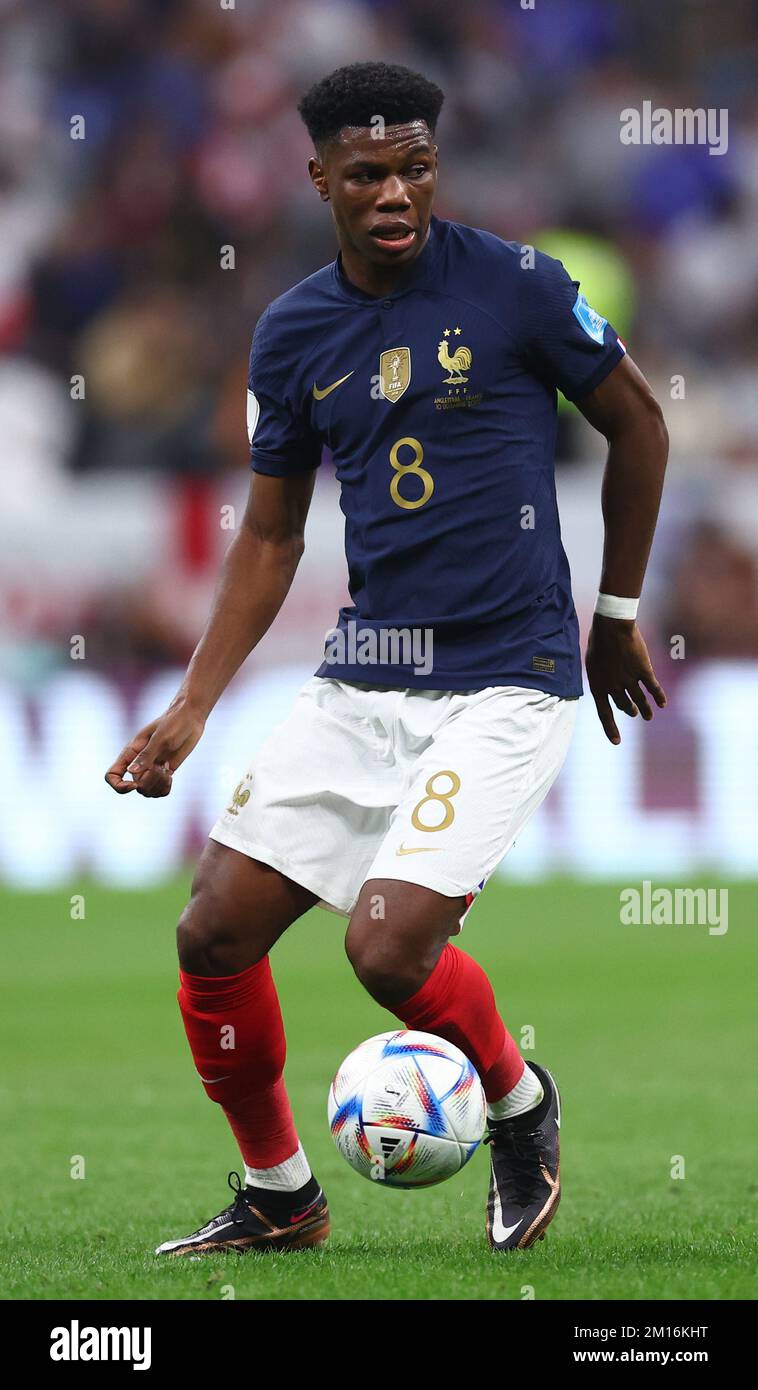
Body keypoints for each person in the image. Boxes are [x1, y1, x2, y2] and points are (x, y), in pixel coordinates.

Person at [106, 62, 668, 1256]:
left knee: (384, 947)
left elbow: (638, 419)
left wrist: (613, 611)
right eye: (367, 173)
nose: (396, 192)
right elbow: (268, 534)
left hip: (508, 676)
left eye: (415, 166)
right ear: (319, 179)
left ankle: (518, 1104)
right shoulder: (294, 330)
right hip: (363, 676)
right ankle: (279, 1198)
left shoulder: (516, 286)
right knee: (209, 935)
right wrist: (193, 706)